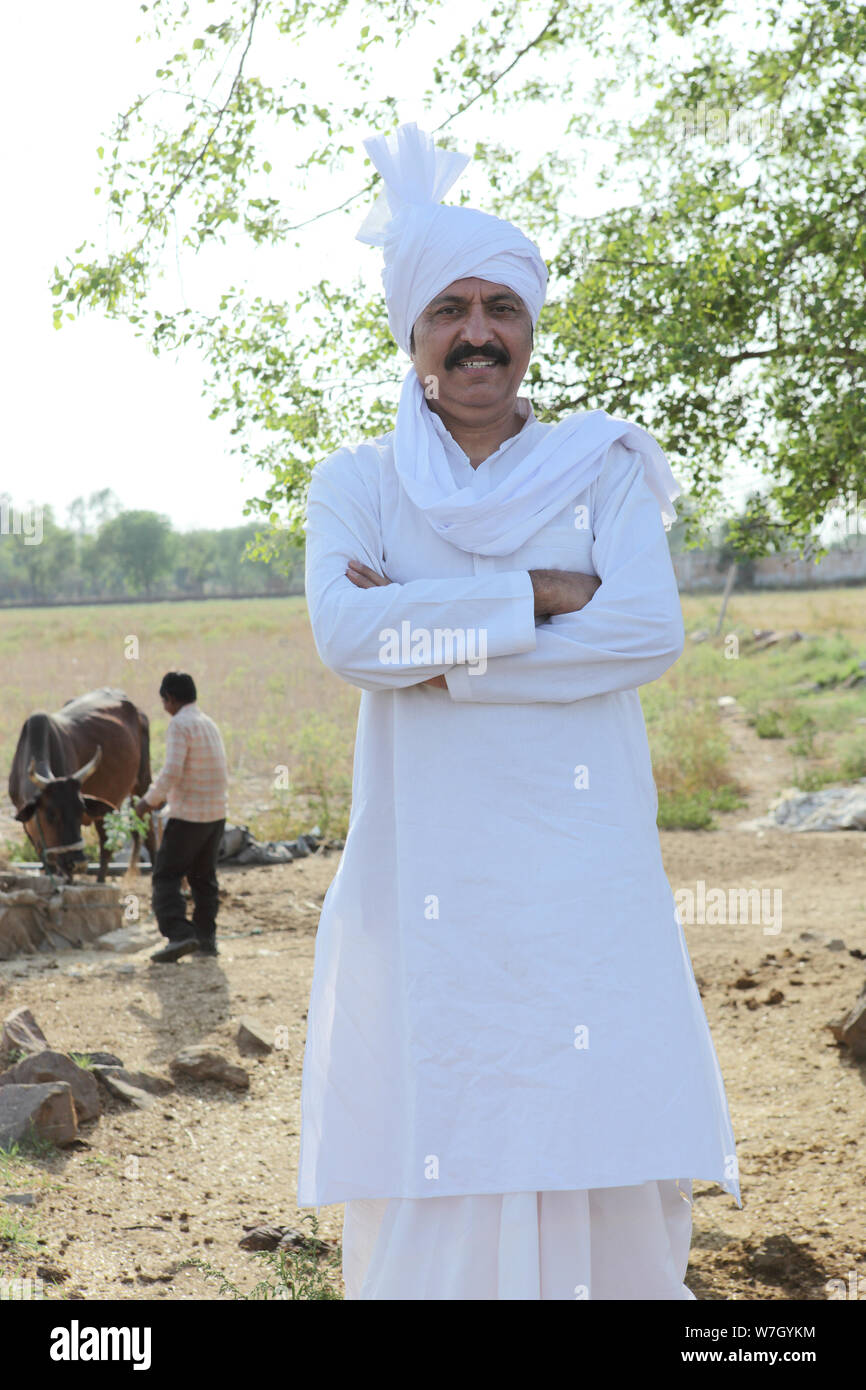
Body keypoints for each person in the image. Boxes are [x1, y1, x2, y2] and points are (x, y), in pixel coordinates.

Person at [298, 123, 740, 1300]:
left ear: (530, 329)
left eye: (502, 305)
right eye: (451, 307)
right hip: (425, 879)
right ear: (411, 333)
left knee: (599, 1124)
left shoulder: (601, 468)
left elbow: (645, 629)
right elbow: (349, 637)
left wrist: (443, 646)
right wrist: (533, 598)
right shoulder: (354, 484)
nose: (479, 330)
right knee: (438, 1119)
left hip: (582, 878)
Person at [134, 672, 228, 963]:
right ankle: (205, 938)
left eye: (164, 701)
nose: (164, 708)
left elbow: (171, 771)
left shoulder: (179, 725)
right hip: (215, 815)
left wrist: (147, 803)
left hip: (188, 816)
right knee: (203, 878)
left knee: (166, 875)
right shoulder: (208, 723)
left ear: (171, 699)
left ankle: (178, 934)